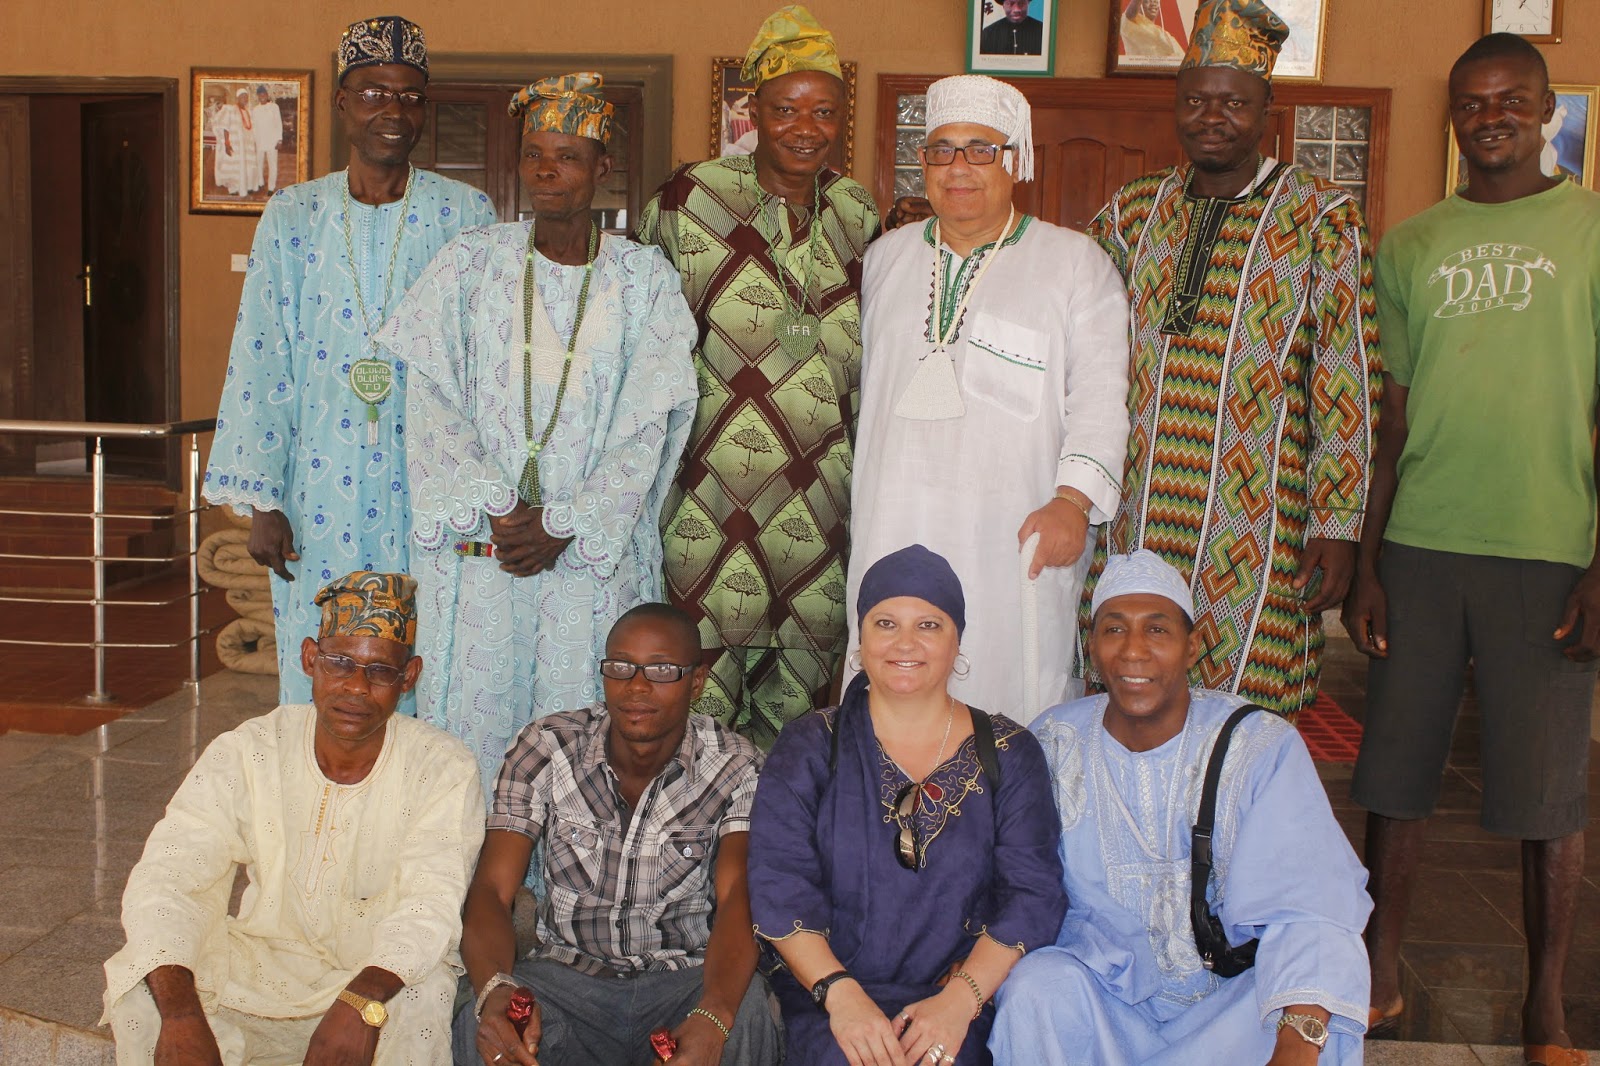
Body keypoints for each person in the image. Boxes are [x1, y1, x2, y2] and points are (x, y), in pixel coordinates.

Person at [1344, 34, 1600, 1066]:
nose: (1489, 116)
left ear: (1547, 113)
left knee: (1549, 795)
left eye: (1511, 100)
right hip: (1420, 546)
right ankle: (1378, 969)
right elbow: (1391, 421)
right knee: (1392, 779)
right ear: (1453, 115)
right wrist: (1367, 562)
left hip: (1544, 542)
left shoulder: (1589, 231)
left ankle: (1545, 1010)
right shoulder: (1408, 246)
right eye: (1471, 102)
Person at [380, 73, 698, 791]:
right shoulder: (471, 261)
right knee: (474, 708)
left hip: (587, 551)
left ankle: (570, 873)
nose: (548, 171)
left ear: (603, 170)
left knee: (578, 707)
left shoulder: (644, 279)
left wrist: (569, 521)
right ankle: (466, 868)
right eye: (534, 155)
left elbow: (650, 419)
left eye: (569, 156)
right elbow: (430, 392)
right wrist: (497, 504)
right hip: (483, 544)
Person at [1081, 0, 1380, 719]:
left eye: (1234, 103)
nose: (1212, 117)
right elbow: (1077, 339)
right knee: (1128, 697)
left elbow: (1347, 379)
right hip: (1138, 514)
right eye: (1196, 100)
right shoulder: (1131, 211)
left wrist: (1336, 525)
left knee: (1245, 711)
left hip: (1258, 523)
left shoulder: (1321, 218)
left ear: (1267, 107)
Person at [203, 16, 497, 706]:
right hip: (320, 483)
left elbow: (490, 365)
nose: (392, 112)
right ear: (342, 103)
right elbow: (261, 350)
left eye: (408, 97)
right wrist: (264, 503)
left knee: (429, 650)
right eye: (372, 93)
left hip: (433, 483)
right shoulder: (294, 214)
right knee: (327, 648)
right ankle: (321, 806)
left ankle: (424, 804)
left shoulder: (466, 214)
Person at [992, 550, 1371, 1064]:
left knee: (1315, 1012)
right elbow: (1014, 881)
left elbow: (1313, 906)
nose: (1133, 652)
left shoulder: (1258, 747)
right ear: (1093, 647)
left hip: (1228, 1010)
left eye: (1157, 630)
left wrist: (1296, 1045)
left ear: (1193, 645)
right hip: (1108, 1005)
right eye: (1114, 630)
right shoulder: (1054, 742)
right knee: (1038, 988)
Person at [101, 572, 485, 1065]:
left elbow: (430, 905)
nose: (356, 688)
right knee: (147, 980)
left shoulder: (444, 768)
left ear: (408, 678)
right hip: (260, 962)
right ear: (309, 659)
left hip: (377, 971)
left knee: (422, 993)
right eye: (339, 663)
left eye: (380, 672)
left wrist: (361, 999)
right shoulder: (250, 748)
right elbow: (170, 876)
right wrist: (180, 1016)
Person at [848, 75, 1130, 724]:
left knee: (1010, 696)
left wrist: (1072, 501)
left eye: (981, 149)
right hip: (893, 517)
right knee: (890, 690)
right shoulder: (885, 260)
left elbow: (1100, 396)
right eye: (942, 150)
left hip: (1014, 532)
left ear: (1017, 162)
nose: (959, 169)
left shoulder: (1074, 263)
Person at [637, 5, 881, 746]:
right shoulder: (691, 202)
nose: (806, 128)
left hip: (820, 509)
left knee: (801, 715)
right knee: (696, 701)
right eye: (786, 109)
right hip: (707, 505)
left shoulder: (857, 213)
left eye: (824, 111)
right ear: (754, 109)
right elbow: (644, 351)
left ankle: (778, 861)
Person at [749, 544, 1067, 1066]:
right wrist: (842, 997)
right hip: (827, 997)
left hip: (959, 998)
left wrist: (959, 1002)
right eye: (886, 622)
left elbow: (1032, 895)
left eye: (929, 625)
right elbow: (778, 881)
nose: (905, 643)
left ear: (957, 639)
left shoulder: (1008, 753)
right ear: (861, 638)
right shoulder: (811, 745)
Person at [453, 603, 780, 1066]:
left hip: (683, 979)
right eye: (621, 667)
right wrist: (495, 989)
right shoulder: (546, 746)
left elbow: (737, 898)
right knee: (483, 1021)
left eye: (662, 669)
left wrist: (715, 1013)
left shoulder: (737, 765)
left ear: (698, 679)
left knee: (744, 1016)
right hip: (564, 980)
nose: (637, 686)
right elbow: (491, 889)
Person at [211, 88, 258, 196]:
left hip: (246, 146)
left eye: (246, 97)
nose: (245, 99)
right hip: (235, 145)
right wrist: (227, 144)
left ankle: (246, 186)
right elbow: (225, 127)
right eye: (242, 97)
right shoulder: (230, 109)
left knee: (247, 166)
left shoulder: (248, 111)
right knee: (234, 167)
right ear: (237, 98)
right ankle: (233, 189)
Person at [1120, 0, 1186, 63]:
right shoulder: (1128, 23)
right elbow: (1130, 13)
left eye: (1156, 1)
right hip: (1140, 72)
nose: (1153, 3)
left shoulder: (1166, 35)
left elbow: (1183, 61)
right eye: (1148, 0)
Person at [978, 0, 1044, 56]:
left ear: (1028, 4)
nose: (1016, 9)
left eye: (1021, 3)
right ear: (1003, 6)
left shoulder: (1043, 30)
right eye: (1010, 4)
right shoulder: (988, 33)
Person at [252, 83, 285, 192]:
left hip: (272, 141)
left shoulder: (274, 107)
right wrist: (253, 140)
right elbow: (254, 126)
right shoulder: (255, 109)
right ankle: (260, 183)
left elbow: (278, 123)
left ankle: (271, 187)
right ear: (258, 96)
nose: (262, 96)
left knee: (272, 165)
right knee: (258, 163)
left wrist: (279, 139)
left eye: (263, 94)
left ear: (267, 95)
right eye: (260, 95)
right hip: (259, 141)